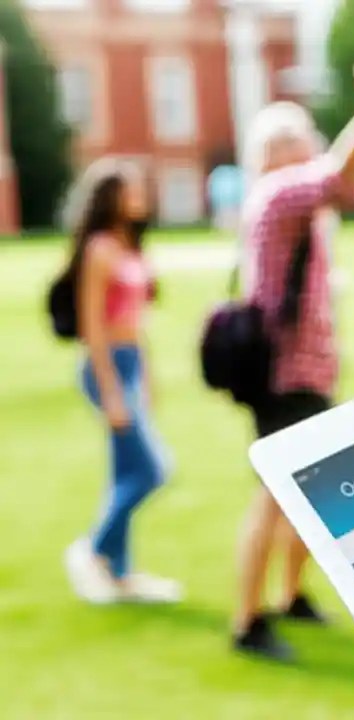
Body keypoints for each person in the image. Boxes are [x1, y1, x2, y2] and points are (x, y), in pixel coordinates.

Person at [232, 61, 354, 661]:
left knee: (304, 490)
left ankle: (289, 596)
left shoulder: (281, 199)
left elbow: (343, 186)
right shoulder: (280, 193)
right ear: (279, 149)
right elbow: (339, 175)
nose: (315, 144)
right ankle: (247, 622)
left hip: (302, 369)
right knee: (275, 492)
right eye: (305, 135)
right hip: (287, 374)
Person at [61, 159, 182, 606]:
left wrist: (147, 375)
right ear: (110, 196)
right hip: (105, 365)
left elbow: (137, 321)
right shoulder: (98, 249)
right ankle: (92, 549)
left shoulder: (129, 246)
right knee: (152, 470)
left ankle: (120, 572)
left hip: (130, 361)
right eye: (130, 188)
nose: (140, 194)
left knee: (125, 472)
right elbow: (92, 325)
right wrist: (111, 389)